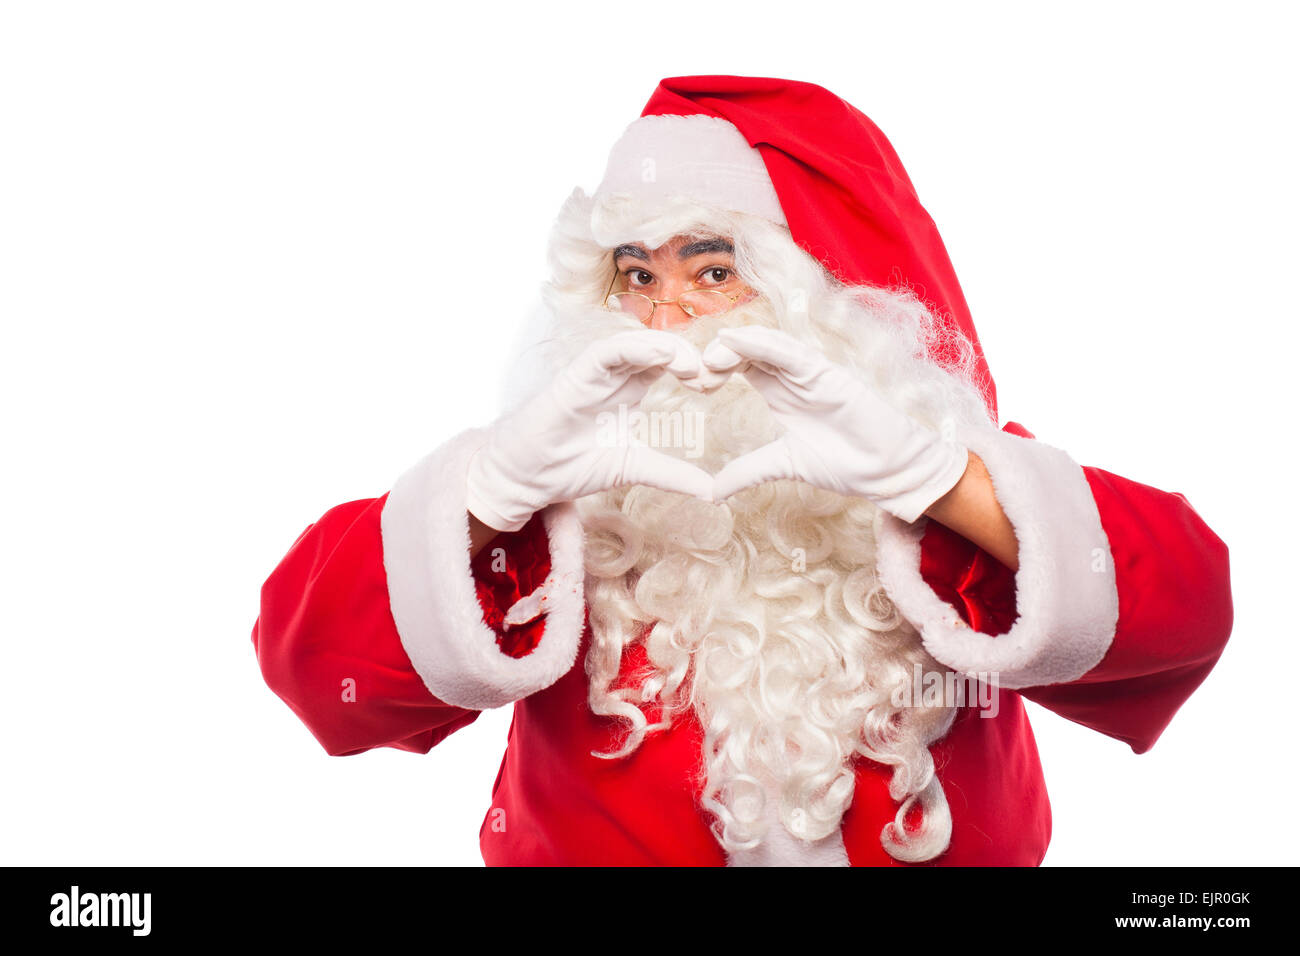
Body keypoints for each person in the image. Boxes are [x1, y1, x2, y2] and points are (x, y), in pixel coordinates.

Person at [251, 75, 1234, 866]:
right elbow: (314, 668)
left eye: (712, 271)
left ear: (825, 297)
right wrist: (488, 494)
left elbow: (1188, 614)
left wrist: (937, 483)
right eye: (636, 274)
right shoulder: (570, 493)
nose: (665, 317)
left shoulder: (958, 473)